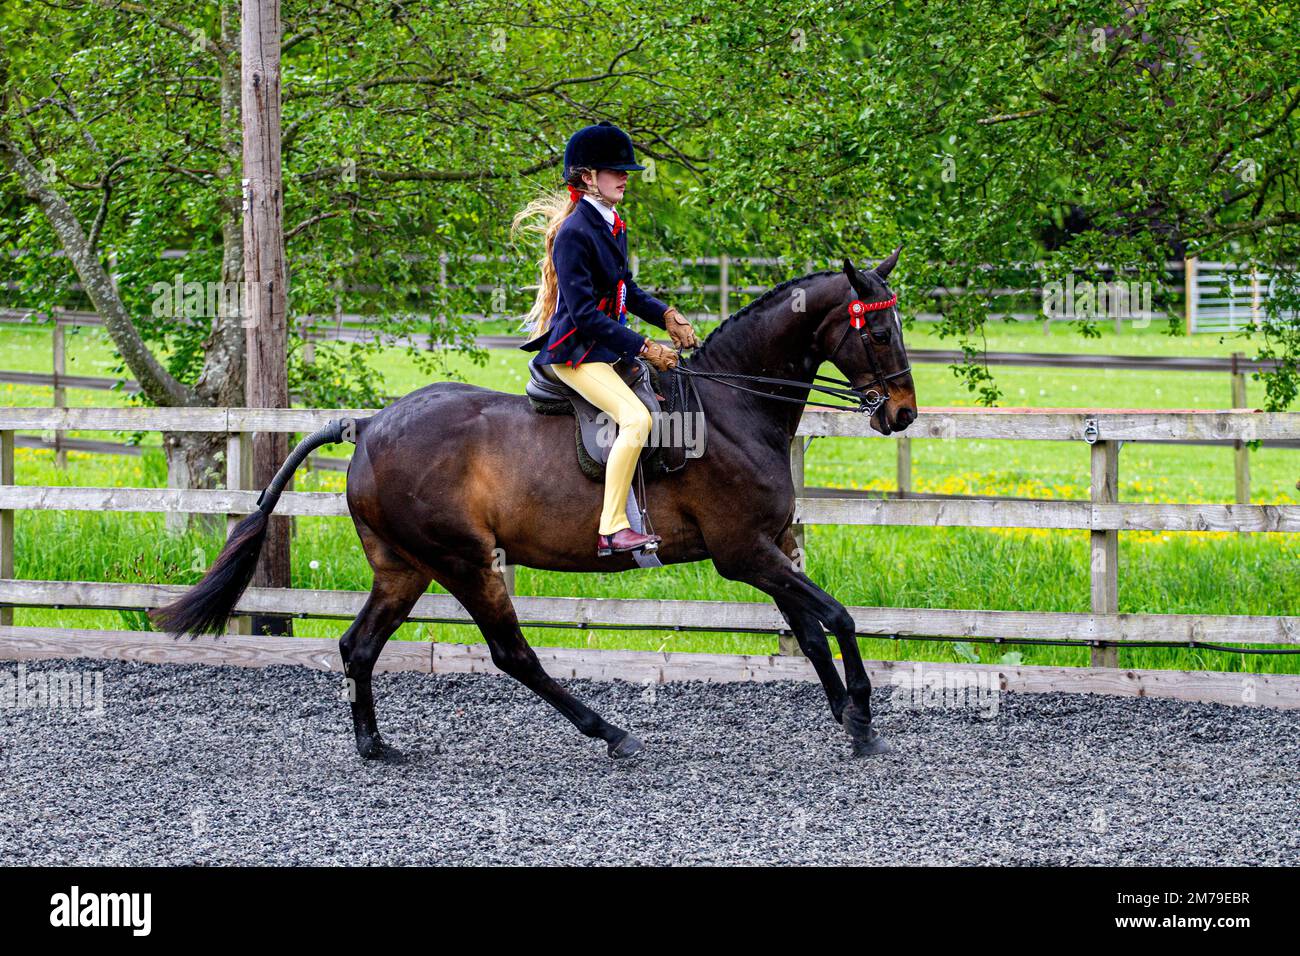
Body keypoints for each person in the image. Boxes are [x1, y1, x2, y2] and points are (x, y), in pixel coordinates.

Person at [514, 120, 698, 556]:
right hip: (576, 352)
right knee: (637, 420)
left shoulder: (613, 222)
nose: (625, 177)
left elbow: (626, 292)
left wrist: (667, 315)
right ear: (587, 177)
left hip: (603, 348)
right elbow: (583, 316)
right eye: (616, 171)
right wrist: (647, 348)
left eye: (626, 170)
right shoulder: (575, 233)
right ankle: (613, 528)